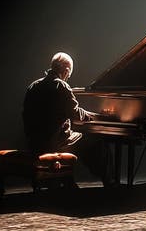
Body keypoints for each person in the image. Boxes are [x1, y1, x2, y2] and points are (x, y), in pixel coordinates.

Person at [23, 51, 110, 184]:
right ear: (66, 70)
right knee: (95, 139)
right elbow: (76, 115)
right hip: (55, 141)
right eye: (69, 75)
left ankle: (66, 179)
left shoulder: (33, 86)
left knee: (77, 135)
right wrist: (97, 117)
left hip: (33, 141)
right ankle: (107, 179)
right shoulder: (62, 86)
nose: (68, 77)